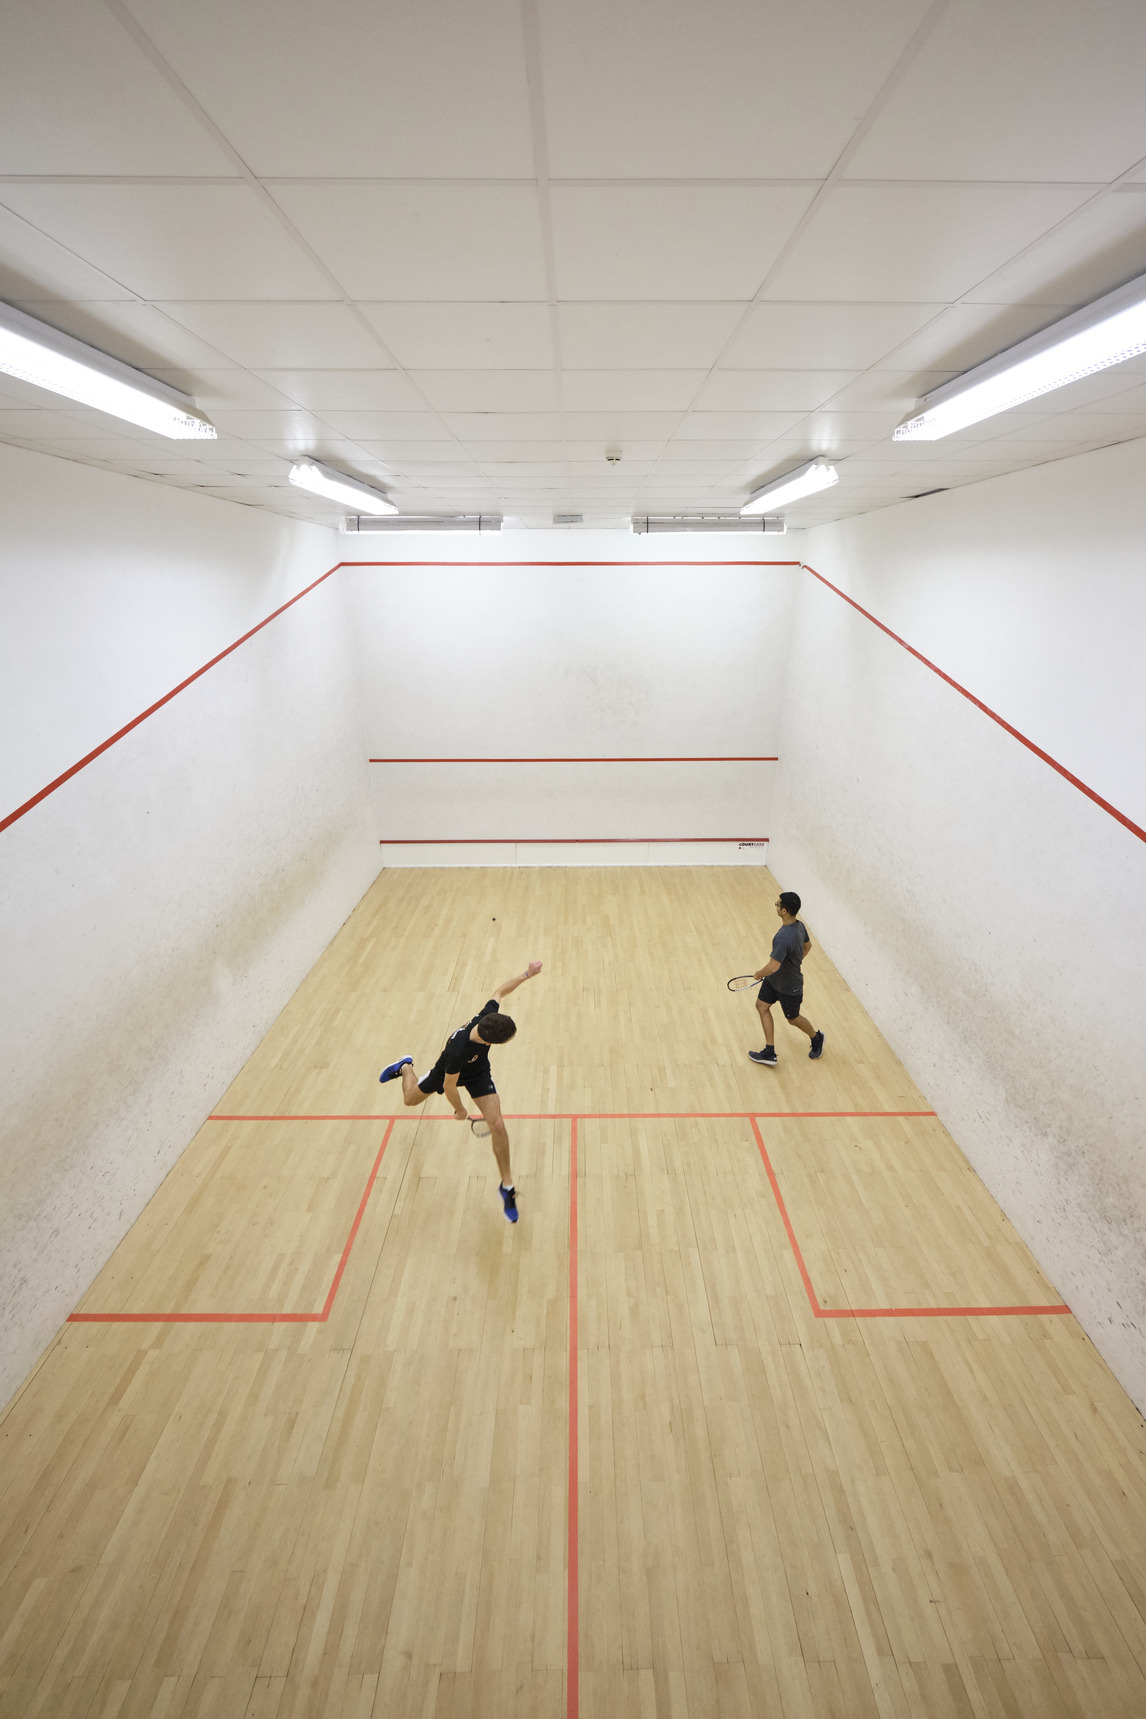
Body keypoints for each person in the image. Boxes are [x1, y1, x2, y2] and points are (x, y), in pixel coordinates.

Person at [378, 962, 542, 1221]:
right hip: (446, 1074)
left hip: (477, 1073)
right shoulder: (457, 1052)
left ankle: (507, 1187)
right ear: (489, 1041)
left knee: (498, 1125)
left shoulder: (487, 1018)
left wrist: (526, 974)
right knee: (409, 1100)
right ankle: (405, 1067)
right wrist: (460, 1110)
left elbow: (499, 992)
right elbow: (449, 1086)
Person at [748, 892, 824, 1067]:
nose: (776, 906)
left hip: (790, 986)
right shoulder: (799, 926)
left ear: (784, 911)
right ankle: (769, 1052)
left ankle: (816, 1037)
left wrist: (759, 973)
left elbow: (773, 966)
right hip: (774, 981)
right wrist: (795, 961)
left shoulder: (782, 937)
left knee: (792, 1019)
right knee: (762, 1006)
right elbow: (808, 946)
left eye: (778, 904)